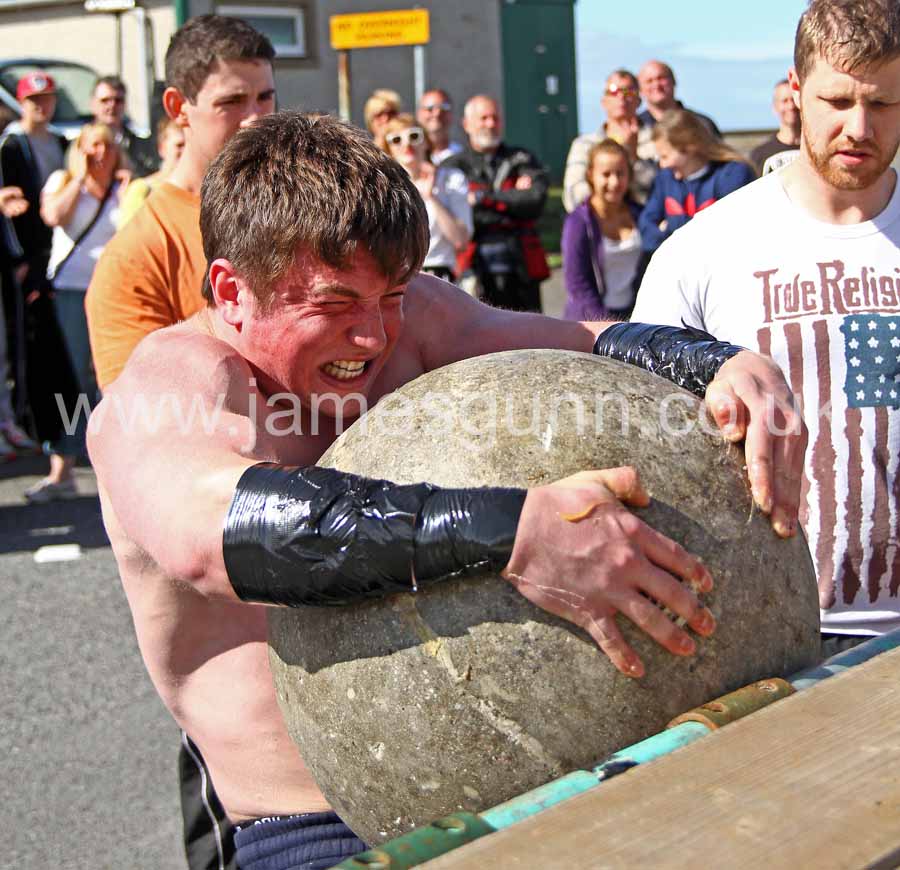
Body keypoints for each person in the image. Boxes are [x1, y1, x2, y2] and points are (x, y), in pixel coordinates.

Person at [88, 109, 805, 869]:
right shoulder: (165, 392)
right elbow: (219, 535)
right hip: (304, 824)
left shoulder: (414, 316)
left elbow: (585, 347)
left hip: (518, 784)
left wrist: (719, 365)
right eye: (333, 304)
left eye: (390, 295)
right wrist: (518, 533)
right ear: (231, 290)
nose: (373, 337)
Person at [632, 0, 900, 656]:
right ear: (795, 91)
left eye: (883, 104)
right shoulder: (707, 248)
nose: (858, 127)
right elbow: (631, 428)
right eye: (836, 100)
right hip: (766, 628)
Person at [85, 14, 276, 391]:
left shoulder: (309, 206)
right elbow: (142, 416)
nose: (255, 120)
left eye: (265, 97)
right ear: (177, 107)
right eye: (233, 101)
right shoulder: (138, 254)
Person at [26, 124, 128, 502]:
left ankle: (117, 469)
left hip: (114, 292)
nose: (100, 153)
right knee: (69, 380)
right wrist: (81, 179)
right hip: (71, 290)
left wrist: (125, 185)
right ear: (79, 150)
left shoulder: (126, 186)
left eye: (106, 145)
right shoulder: (62, 180)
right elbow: (53, 216)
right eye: (92, 146)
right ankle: (62, 470)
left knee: (111, 379)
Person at [0, 71, 78, 458]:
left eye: (47, 98)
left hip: (58, 259)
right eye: (34, 99)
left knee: (60, 349)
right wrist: (20, 259)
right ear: (21, 102)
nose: (41, 106)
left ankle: (58, 430)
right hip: (28, 261)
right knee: (25, 347)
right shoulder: (11, 146)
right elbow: (10, 209)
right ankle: (29, 423)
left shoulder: (63, 142)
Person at [444, 95, 549, 312]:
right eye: (484, 118)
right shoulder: (453, 167)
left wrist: (483, 198)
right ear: (467, 124)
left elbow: (534, 201)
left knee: (530, 336)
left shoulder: (522, 159)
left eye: (495, 118)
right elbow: (462, 216)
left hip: (521, 268)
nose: (491, 124)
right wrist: (510, 198)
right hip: (473, 268)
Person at [639, 109, 756, 256]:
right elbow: (647, 233)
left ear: (689, 148)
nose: (662, 164)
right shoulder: (665, 179)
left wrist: (668, 230)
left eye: (665, 156)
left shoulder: (732, 175)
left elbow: (729, 234)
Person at [383, 112, 472, 283]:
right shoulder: (384, 188)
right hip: (399, 279)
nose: (406, 144)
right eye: (396, 139)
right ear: (388, 149)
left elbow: (461, 240)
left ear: (426, 143)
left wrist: (430, 198)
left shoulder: (451, 180)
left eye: (414, 136)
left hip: (440, 276)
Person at [562, 139, 643, 321]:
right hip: (590, 323)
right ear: (591, 175)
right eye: (606, 174)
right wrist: (610, 327)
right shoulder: (579, 222)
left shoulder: (641, 214)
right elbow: (578, 285)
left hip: (634, 318)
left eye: (620, 173)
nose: (614, 182)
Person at [563, 69, 657, 211]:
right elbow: (573, 195)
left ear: (638, 100)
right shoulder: (584, 144)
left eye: (628, 91)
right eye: (613, 91)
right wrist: (613, 209)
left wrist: (634, 158)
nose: (621, 97)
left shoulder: (657, 140)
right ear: (603, 101)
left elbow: (662, 192)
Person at [117, 115, 186, 226]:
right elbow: (129, 237)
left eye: (189, 145)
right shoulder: (142, 190)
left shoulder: (200, 189)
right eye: (179, 145)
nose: (186, 151)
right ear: (162, 148)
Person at [636, 60, 721, 141]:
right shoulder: (635, 127)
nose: (656, 85)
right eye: (649, 81)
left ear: (674, 81)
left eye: (661, 78)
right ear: (640, 89)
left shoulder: (701, 124)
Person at [90, 75, 157, 177]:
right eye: (105, 100)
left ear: (125, 104)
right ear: (92, 104)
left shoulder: (141, 147)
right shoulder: (81, 145)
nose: (112, 105)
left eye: (118, 100)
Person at [749, 79, 802, 175]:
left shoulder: (817, 150)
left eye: (794, 99)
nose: (791, 106)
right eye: (784, 101)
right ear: (775, 107)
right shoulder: (760, 155)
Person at [416, 88, 463, 165]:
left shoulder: (462, 156)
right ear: (418, 114)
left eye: (443, 108)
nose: (437, 114)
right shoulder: (409, 155)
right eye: (430, 109)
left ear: (451, 114)